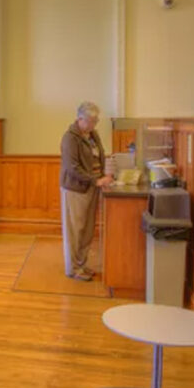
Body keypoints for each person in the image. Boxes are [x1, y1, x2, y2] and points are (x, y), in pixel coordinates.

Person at [60, 102, 113, 282]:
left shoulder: (92, 135)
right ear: (80, 118)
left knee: (87, 229)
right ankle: (73, 268)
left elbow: (100, 156)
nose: (94, 124)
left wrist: (104, 175)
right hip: (76, 189)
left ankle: (82, 264)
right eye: (91, 121)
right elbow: (72, 168)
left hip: (92, 187)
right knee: (75, 230)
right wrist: (96, 180)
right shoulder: (70, 138)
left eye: (96, 120)